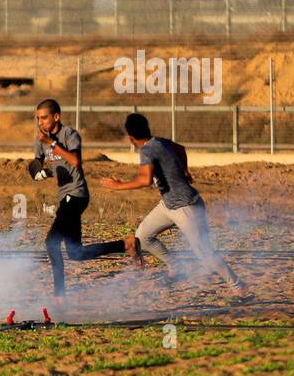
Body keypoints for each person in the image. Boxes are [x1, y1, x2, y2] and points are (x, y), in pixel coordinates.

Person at [99, 113, 247, 297]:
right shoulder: (159, 142)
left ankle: (238, 286)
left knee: (204, 252)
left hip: (186, 207)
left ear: (130, 137)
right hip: (168, 205)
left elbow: (145, 180)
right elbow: (181, 149)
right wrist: (185, 170)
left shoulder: (147, 150)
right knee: (143, 237)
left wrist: (119, 186)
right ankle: (175, 265)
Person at [30, 99, 141, 298]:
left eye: (44, 118)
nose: (41, 122)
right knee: (75, 253)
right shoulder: (40, 140)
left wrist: (52, 144)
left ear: (56, 117)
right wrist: (39, 172)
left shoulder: (69, 134)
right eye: (38, 118)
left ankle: (59, 296)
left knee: (51, 243)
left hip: (77, 194)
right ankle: (126, 245)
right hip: (64, 197)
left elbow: (75, 161)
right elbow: (36, 164)